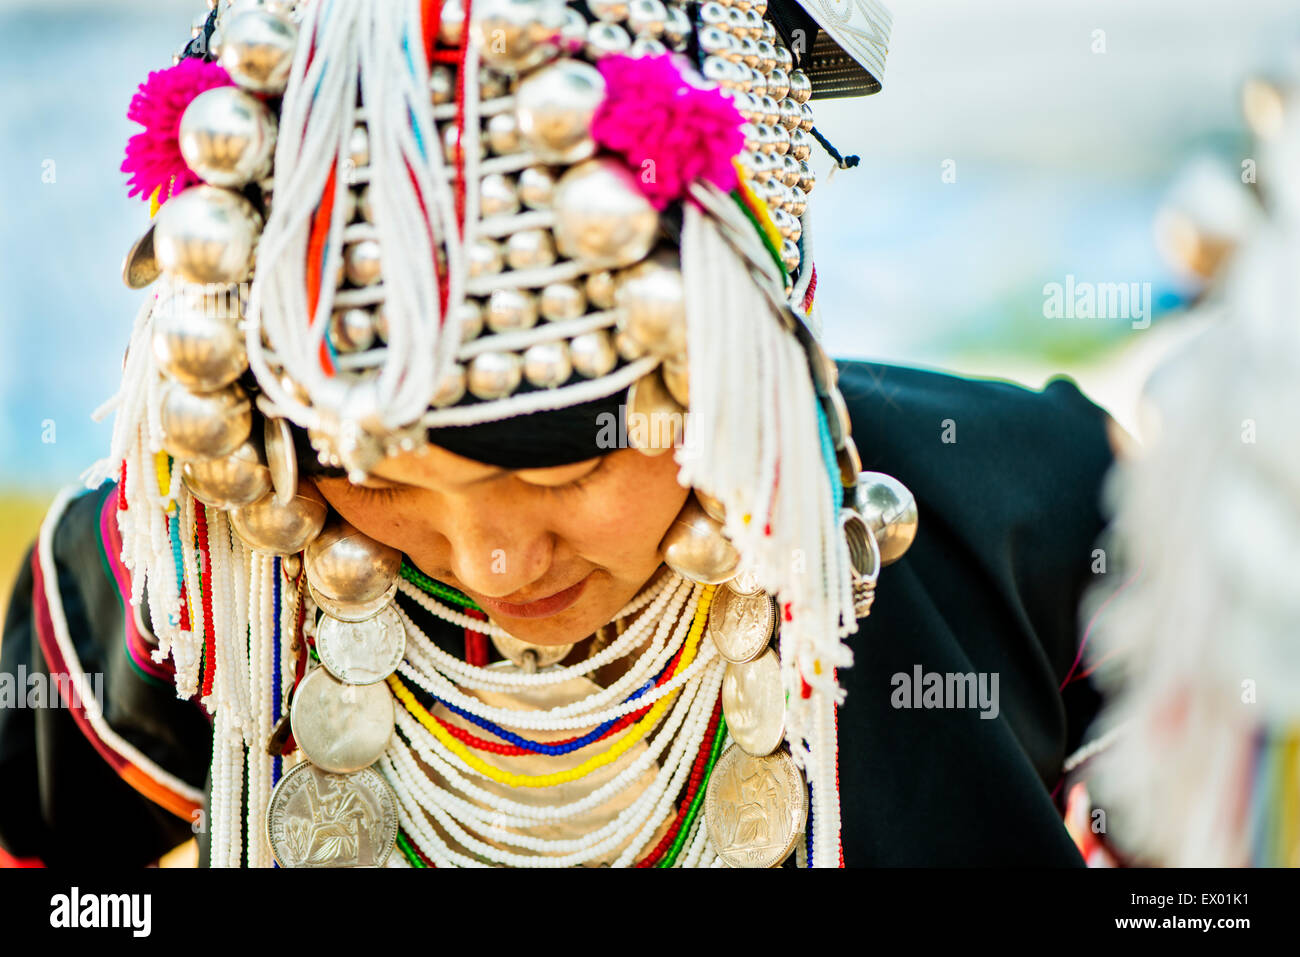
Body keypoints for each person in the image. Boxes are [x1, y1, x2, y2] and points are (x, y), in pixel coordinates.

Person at [0, 0, 1117, 868]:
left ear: (744, 360)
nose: (492, 561)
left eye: (572, 467)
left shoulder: (1048, 526)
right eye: (372, 475)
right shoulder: (177, 595)